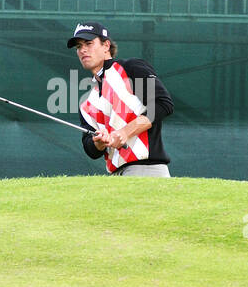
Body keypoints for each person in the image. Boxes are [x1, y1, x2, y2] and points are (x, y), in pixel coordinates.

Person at [68, 21, 174, 177]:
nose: (83, 50)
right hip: (115, 175)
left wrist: (125, 132)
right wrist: (98, 142)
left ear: (106, 46)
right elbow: (90, 148)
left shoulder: (131, 67)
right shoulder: (86, 103)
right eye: (78, 47)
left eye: (88, 43)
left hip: (146, 168)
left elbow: (163, 104)